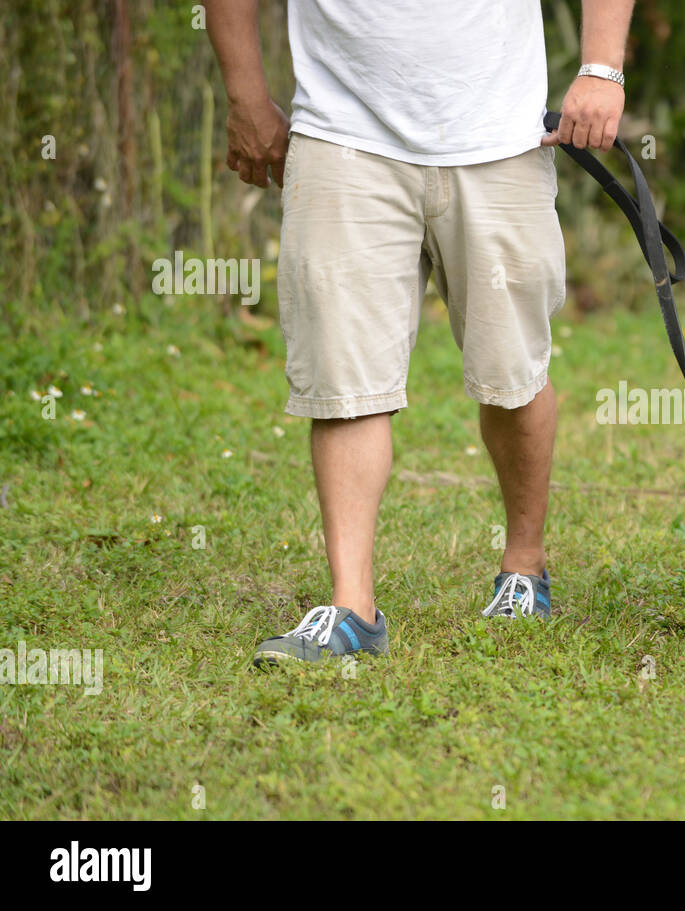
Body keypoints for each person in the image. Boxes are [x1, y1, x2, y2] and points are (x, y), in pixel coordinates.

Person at [206, 0, 634, 664]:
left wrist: (603, 68)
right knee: (342, 380)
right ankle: (353, 608)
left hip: (498, 136)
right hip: (342, 135)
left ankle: (523, 566)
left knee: (511, 376)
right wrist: (246, 96)